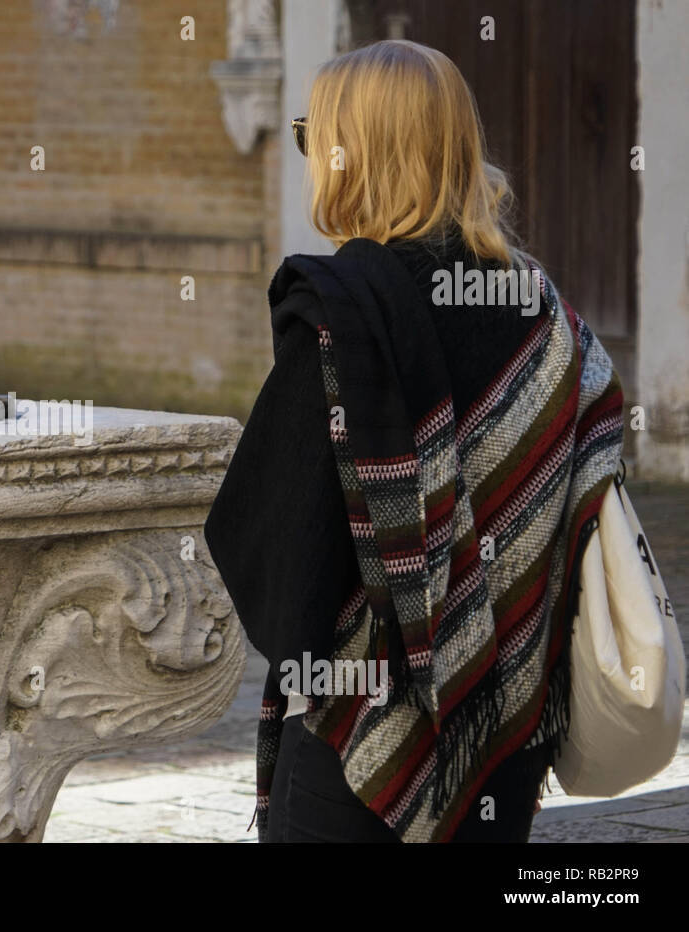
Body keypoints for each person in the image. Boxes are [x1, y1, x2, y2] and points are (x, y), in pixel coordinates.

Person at [204, 39, 624, 843]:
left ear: (349, 157)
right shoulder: (545, 314)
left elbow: (277, 559)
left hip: (360, 755)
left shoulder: (341, 317)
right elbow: (588, 493)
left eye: (310, 138)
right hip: (502, 744)